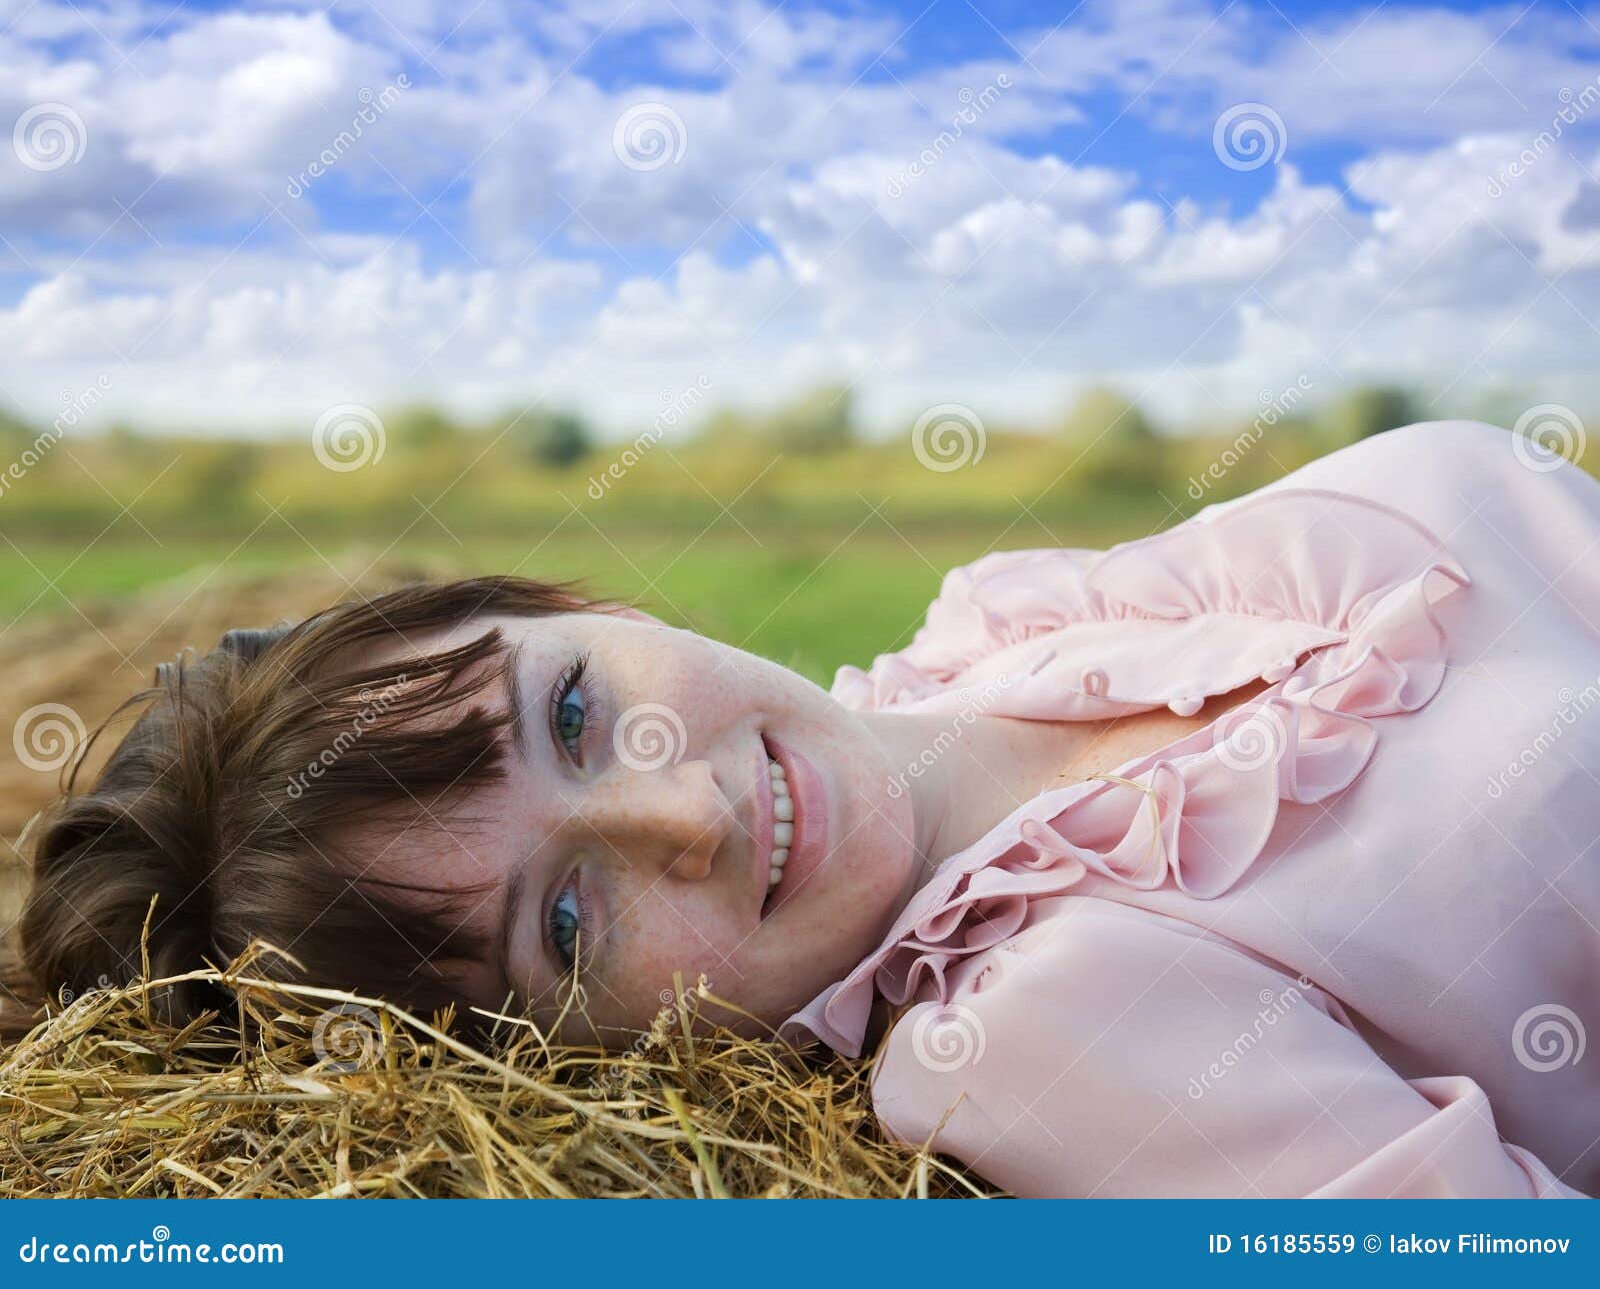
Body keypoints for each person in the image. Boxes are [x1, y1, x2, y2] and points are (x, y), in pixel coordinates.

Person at [15, 419, 1597, 1197]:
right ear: (563, 1075)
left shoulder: (1013, 615)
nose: (678, 812)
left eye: (572, 709)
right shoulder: (1040, 1027)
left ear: (573, 600)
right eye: (568, 921)